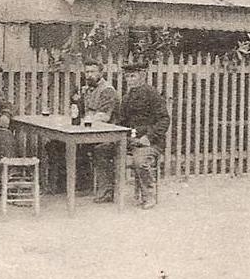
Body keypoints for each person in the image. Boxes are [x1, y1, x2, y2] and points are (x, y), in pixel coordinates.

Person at [92, 61, 170, 209]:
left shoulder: (152, 94)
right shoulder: (127, 98)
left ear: (142, 76)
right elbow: (122, 122)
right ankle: (107, 191)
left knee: (140, 161)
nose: (130, 80)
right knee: (101, 150)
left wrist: (149, 137)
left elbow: (164, 119)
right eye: (127, 77)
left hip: (149, 142)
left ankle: (149, 196)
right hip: (130, 140)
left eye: (133, 76)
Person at [46, 60, 119, 193]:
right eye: (87, 72)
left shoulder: (107, 91)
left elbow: (104, 117)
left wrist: (84, 118)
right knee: (55, 144)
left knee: (78, 147)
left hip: (103, 134)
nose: (89, 75)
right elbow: (77, 111)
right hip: (85, 132)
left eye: (92, 72)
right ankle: (64, 185)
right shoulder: (85, 89)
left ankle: (87, 185)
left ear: (101, 73)